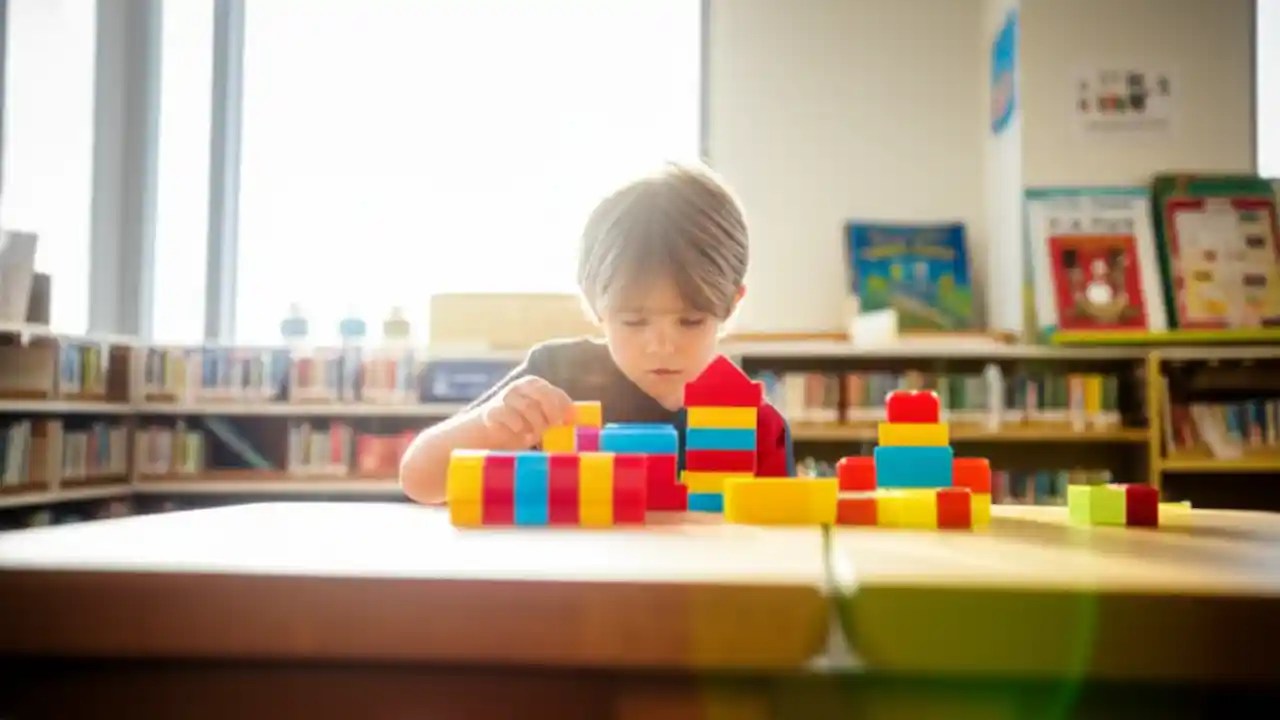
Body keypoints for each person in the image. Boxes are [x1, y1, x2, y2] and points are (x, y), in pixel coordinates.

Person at [399, 162, 794, 505]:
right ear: (594, 304)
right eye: (634, 321)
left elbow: (780, 552)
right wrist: (490, 425)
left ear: (731, 305)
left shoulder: (756, 425)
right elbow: (419, 479)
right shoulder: (557, 376)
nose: (662, 345)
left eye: (690, 321)